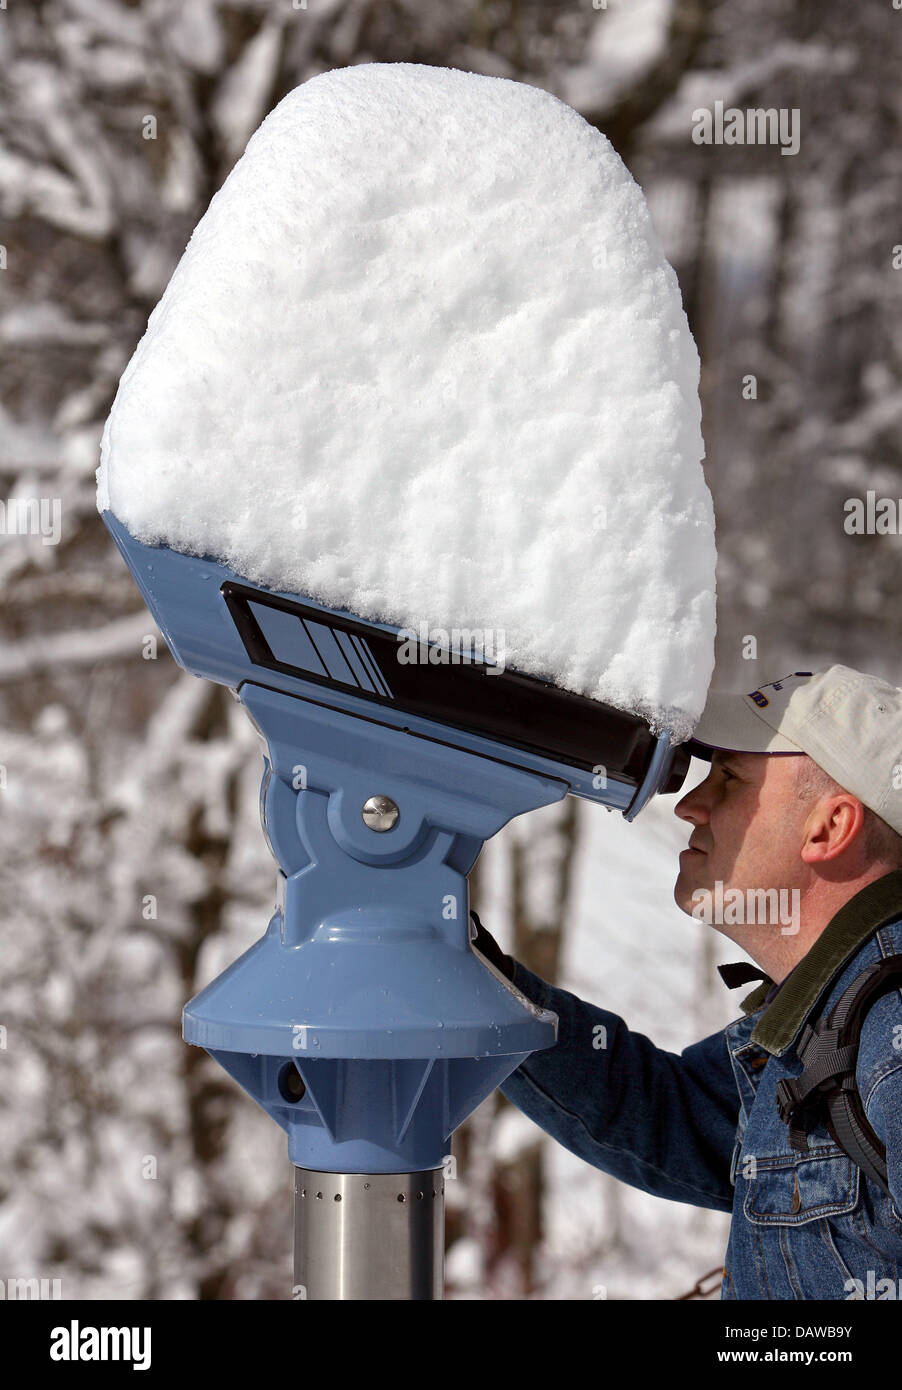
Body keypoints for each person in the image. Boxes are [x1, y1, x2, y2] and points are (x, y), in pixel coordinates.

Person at [471, 666, 902, 1300]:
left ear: (829, 829)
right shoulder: (826, 1023)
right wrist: (471, 970)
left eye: (730, 779)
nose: (690, 805)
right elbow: (661, 1111)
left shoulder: (888, 1028)